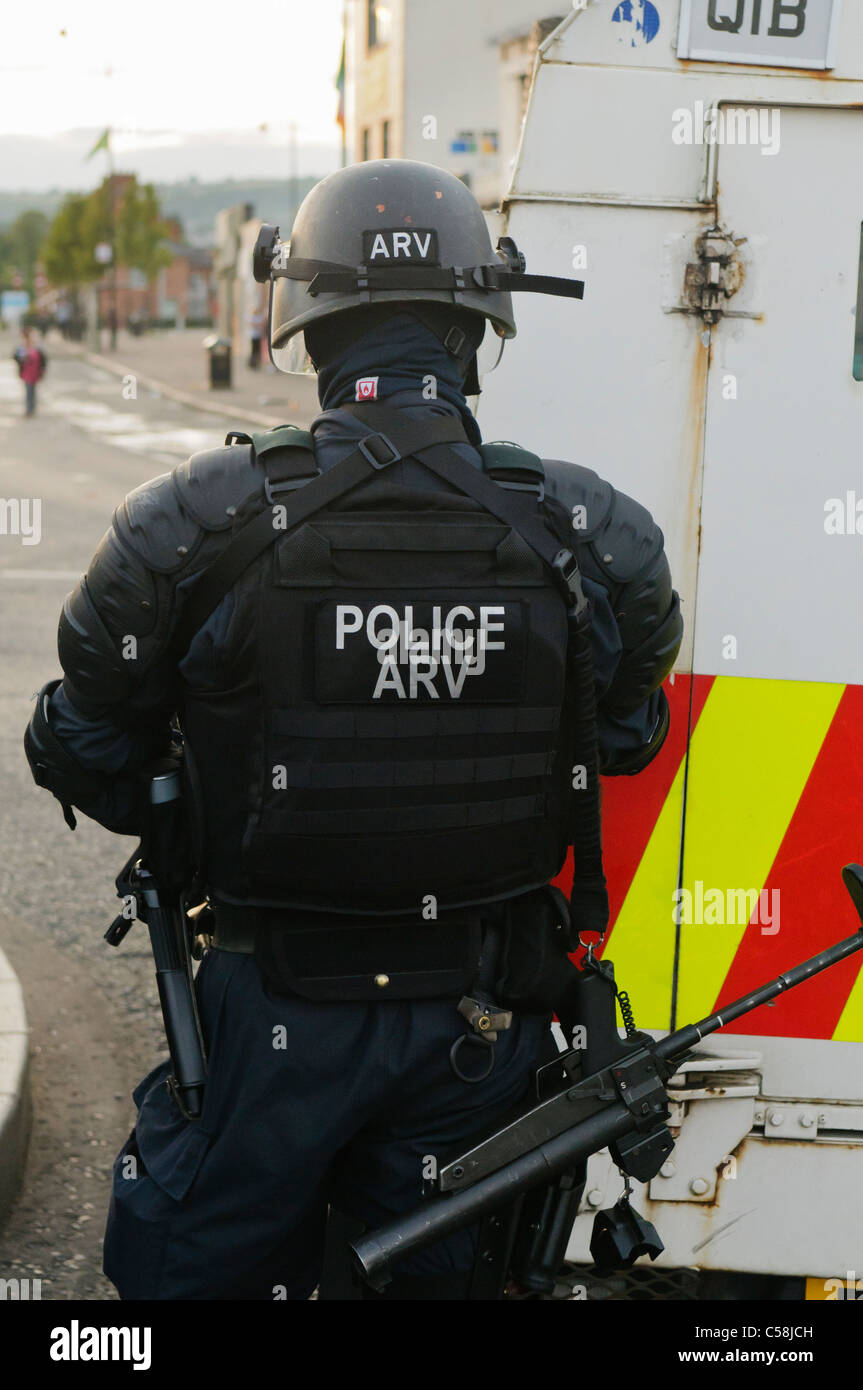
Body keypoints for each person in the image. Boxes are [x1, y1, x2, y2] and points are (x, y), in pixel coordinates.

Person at [24, 159, 682, 1301]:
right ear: (475, 329)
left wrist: (211, 793)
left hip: (269, 1022)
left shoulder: (190, 524)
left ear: (309, 328)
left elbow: (75, 743)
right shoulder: (591, 534)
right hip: (482, 1028)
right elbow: (621, 738)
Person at [13, 327, 47, 417]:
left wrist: (42, 370)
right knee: (29, 390)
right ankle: (29, 409)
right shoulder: (22, 348)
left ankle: (32, 408)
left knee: (33, 390)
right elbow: (16, 358)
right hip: (26, 373)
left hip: (35, 372)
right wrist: (22, 359)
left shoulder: (37, 347)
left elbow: (43, 360)